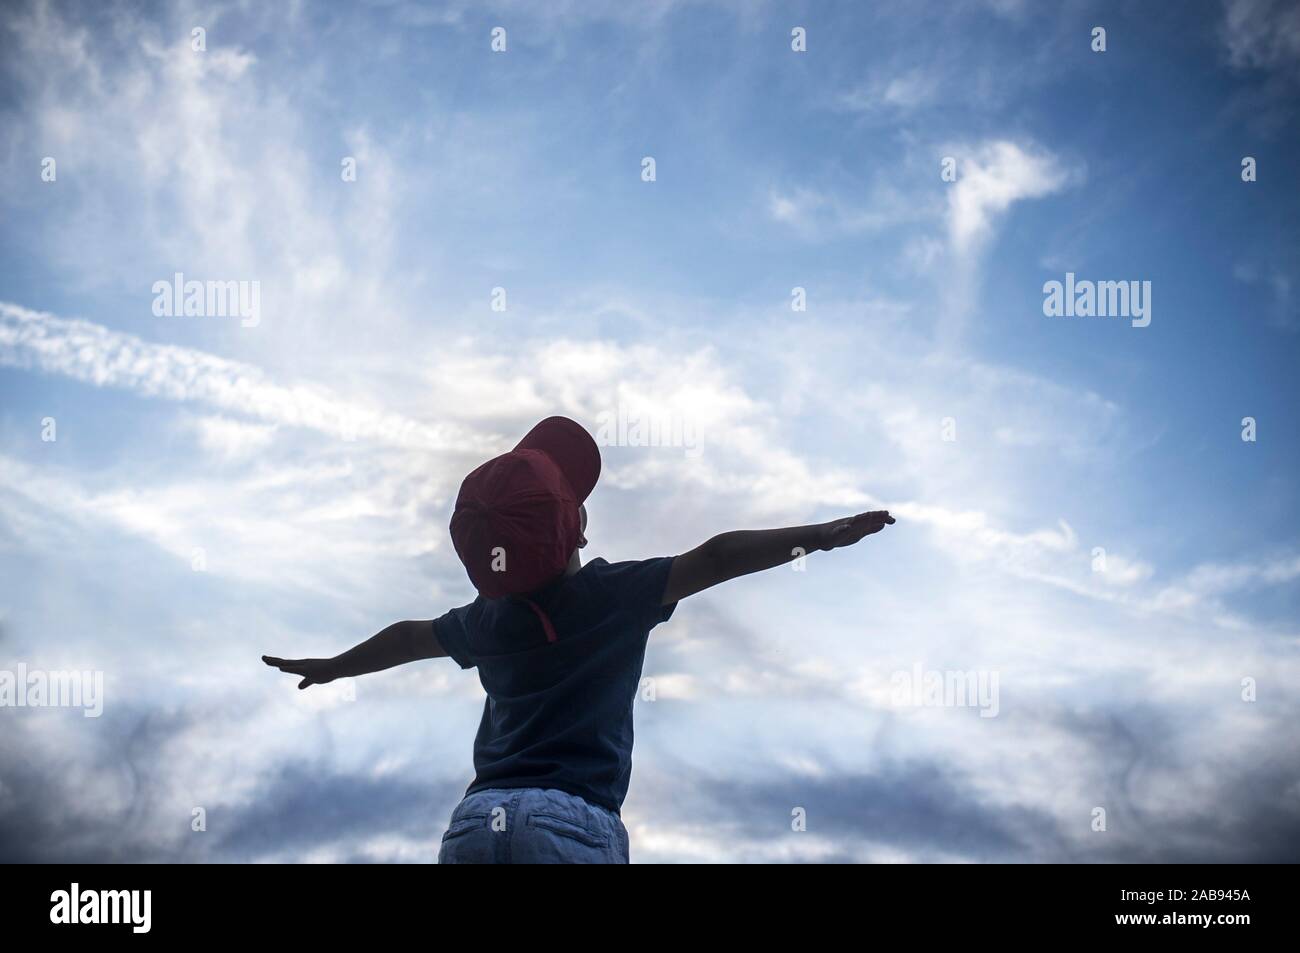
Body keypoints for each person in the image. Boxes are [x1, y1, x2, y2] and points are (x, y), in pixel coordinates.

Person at [264, 415, 894, 863]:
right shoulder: (615, 595)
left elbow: (406, 637)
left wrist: (333, 667)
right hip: (570, 827)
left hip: (476, 825)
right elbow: (721, 554)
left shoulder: (484, 621)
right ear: (581, 533)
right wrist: (824, 532)